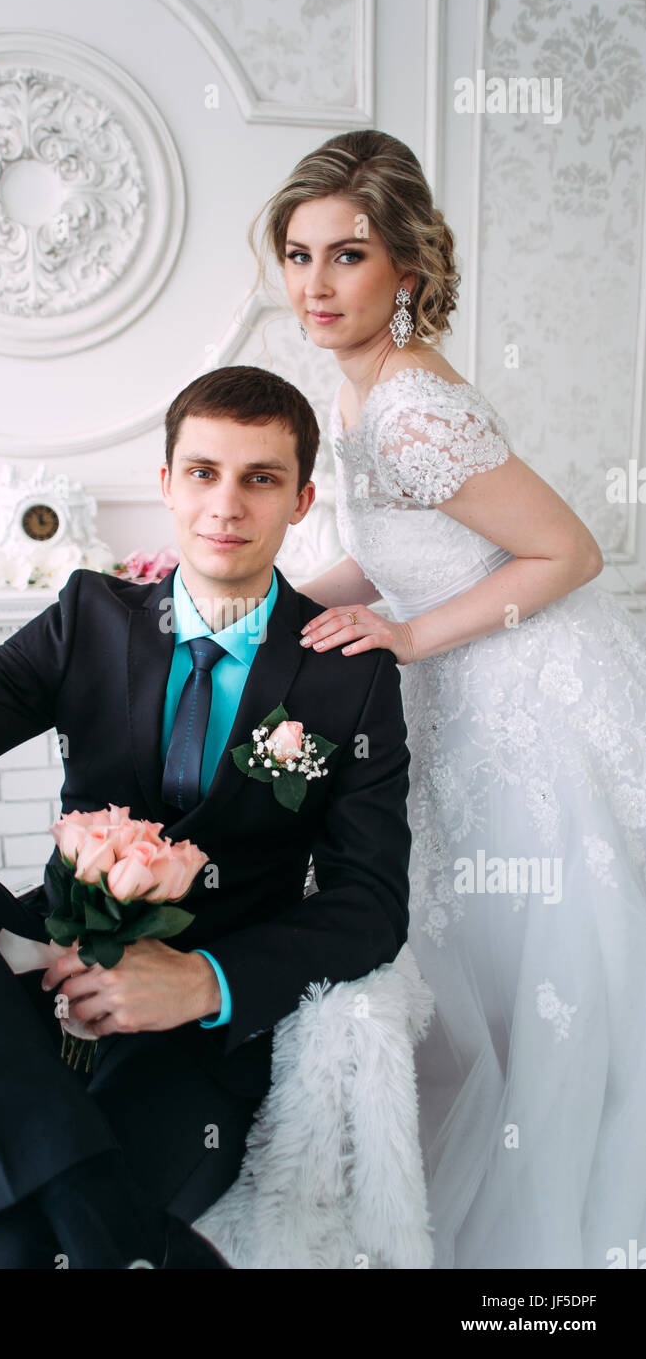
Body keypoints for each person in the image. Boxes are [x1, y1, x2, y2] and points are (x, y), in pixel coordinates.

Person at [0, 365, 411, 1269]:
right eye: (201, 472)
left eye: (259, 479)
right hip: (37, 979)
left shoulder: (347, 672)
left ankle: (3, 1231)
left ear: (302, 499)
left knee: (19, 1243)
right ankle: (93, 1215)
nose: (224, 504)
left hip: (191, 1040)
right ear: (165, 485)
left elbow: (370, 903)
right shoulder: (90, 619)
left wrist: (201, 981)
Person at [247, 127, 646, 1269]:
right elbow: (408, 553)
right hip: (465, 686)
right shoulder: (368, 386)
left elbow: (565, 554)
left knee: (547, 998)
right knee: (487, 998)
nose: (314, 284)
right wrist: (255, 604)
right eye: (297, 252)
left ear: (406, 273)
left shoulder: (412, 405)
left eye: (348, 256)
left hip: (523, 708)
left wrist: (408, 637)